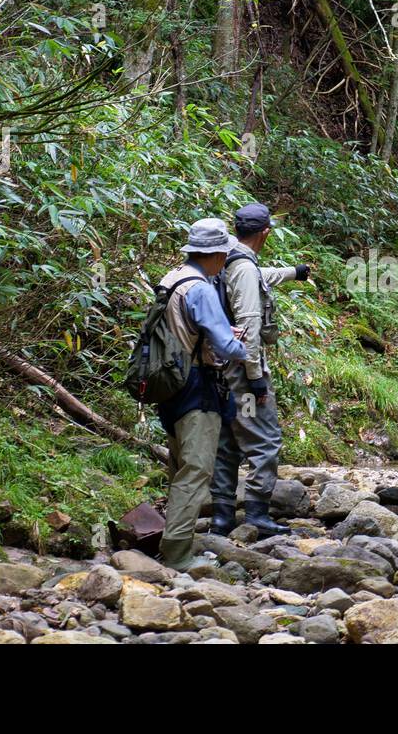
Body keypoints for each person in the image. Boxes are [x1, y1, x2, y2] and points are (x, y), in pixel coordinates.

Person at [209, 203, 312, 537]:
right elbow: (250, 329)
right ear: (265, 233)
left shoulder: (226, 257)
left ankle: (222, 517)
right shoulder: (242, 268)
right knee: (264, 439)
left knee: (227, 442)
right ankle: (256, 514)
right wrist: (256, 382)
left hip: (218, 368)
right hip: (242, 372)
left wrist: (294, 272)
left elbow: (259, 276)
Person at [156, 218, 248, 571]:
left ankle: (175, 538)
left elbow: (185, 328)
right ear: (217, 254)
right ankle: (178, 553)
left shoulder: (172, 279)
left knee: (179, 466)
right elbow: (224, 345)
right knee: (195, 470)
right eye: (224, 254)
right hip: (198, 387)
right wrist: (242, 347)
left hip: (171, 384)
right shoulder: (202, 289)